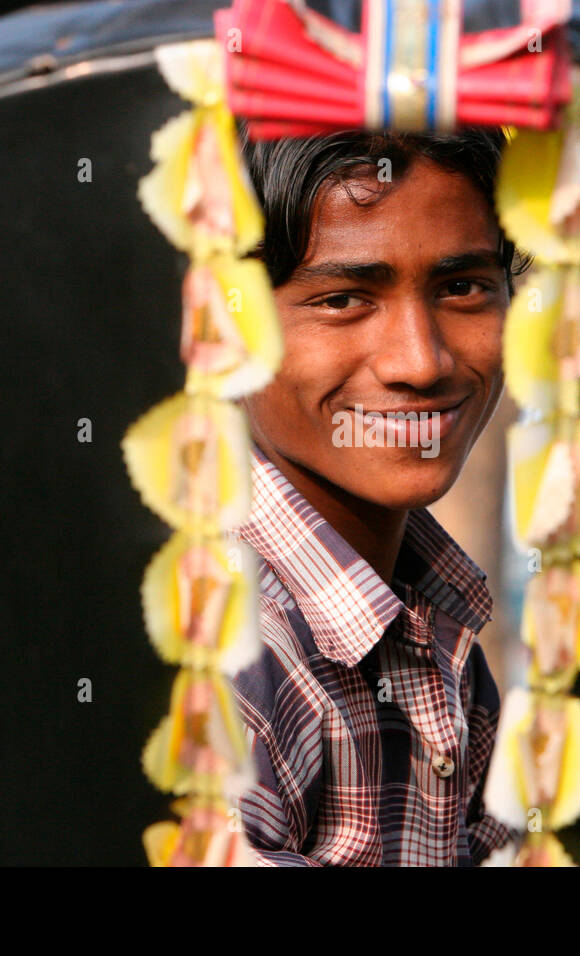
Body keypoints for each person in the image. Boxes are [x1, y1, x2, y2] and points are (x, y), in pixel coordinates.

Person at [226, 122, 528, 865]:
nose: (420, 362)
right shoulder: (235, 667)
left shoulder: (431, 613)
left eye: (463, 288)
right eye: (342, 300)